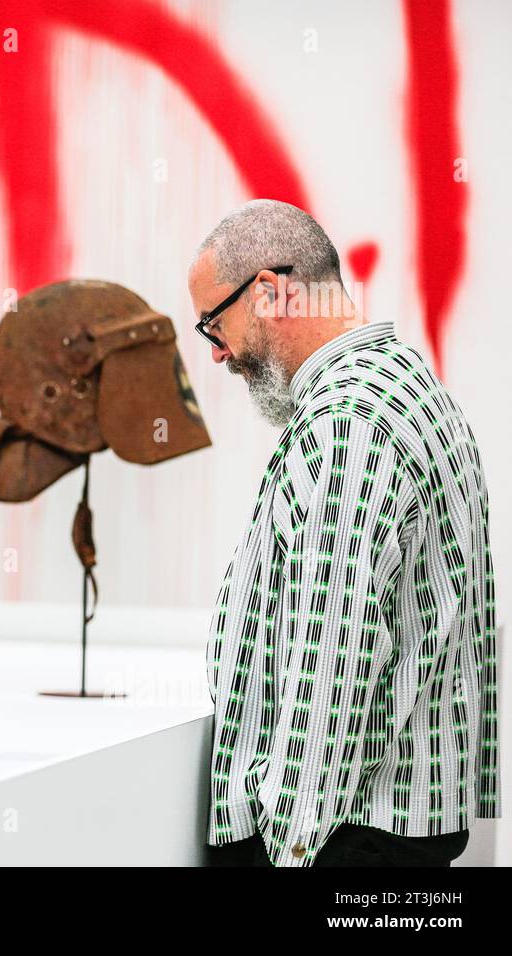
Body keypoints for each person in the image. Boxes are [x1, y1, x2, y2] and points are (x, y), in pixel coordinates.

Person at [186, 199, 498, 867]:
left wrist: (289, 847)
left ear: (268, 292)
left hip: (342, 843)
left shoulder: (347, 424)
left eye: (214, 323)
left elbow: (334, 658)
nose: (217, 353)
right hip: (383, 830)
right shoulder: (407, 385)